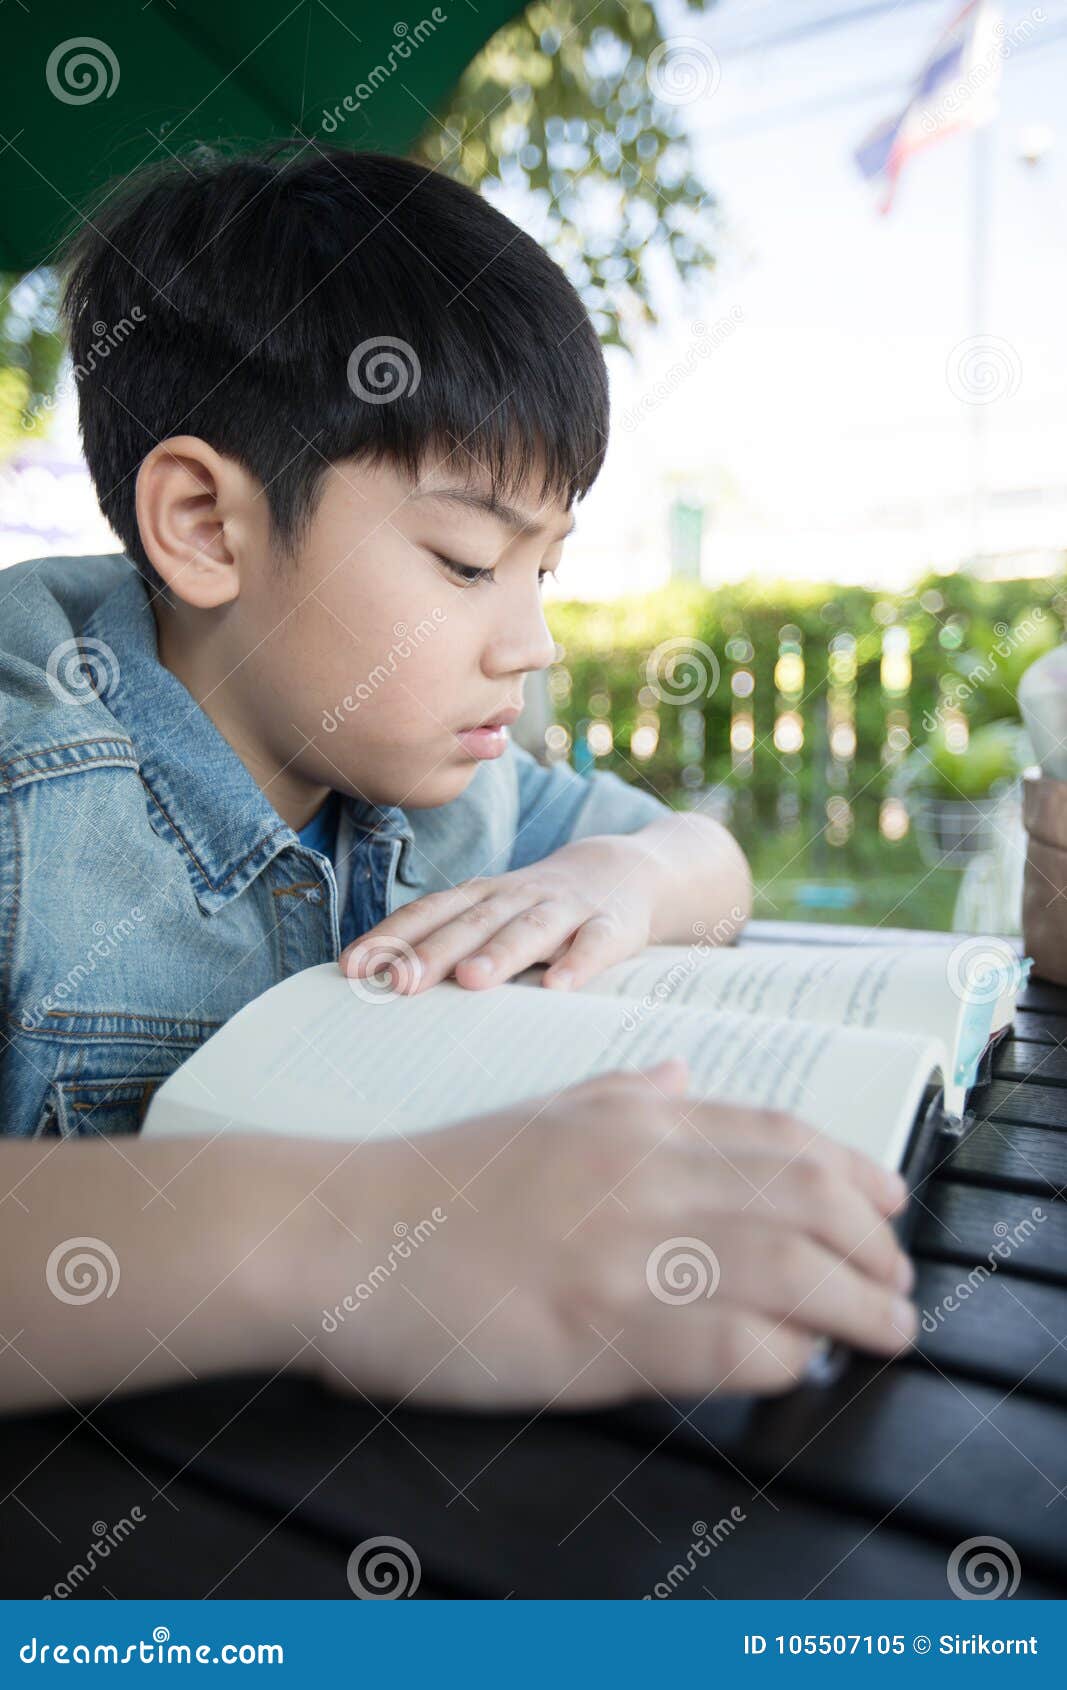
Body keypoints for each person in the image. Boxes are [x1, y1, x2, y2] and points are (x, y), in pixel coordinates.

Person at [0, 145, 916, 1419]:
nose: (530, 642)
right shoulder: (25, 796)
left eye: (545, 570)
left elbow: (701, 861)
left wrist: (624, 874)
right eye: (467, 560)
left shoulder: (440, 784)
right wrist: (372, 1235)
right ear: (208, 526)